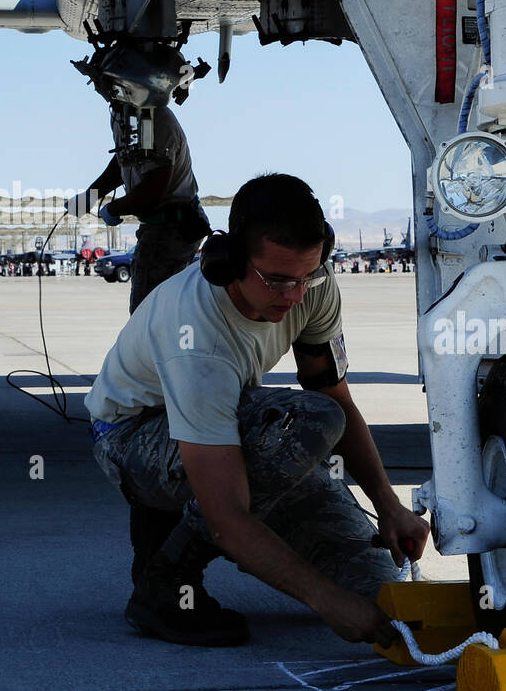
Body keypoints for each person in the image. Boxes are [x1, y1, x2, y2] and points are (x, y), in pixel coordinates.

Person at [85, 173, 429, 648]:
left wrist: (389, 506)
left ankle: (176, 541)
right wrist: (325, 603)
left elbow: (336, 394)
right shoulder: (197, 336)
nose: (294, 295)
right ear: (226, 262)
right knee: (309, 424)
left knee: (376, 589)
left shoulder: (314, 287)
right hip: (133, 436)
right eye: (278, 280)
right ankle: (163, 580)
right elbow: (226, 516)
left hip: (224, 424)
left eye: (306, 276)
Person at [68, 103, 211, 314]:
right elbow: (125, 160)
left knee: (148, 316)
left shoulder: (151, 117)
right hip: (165, 226)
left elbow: (154, 187)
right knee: (157, 314)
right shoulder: (126, 114)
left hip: (170, 229)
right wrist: (90, 196)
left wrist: (114, 208)